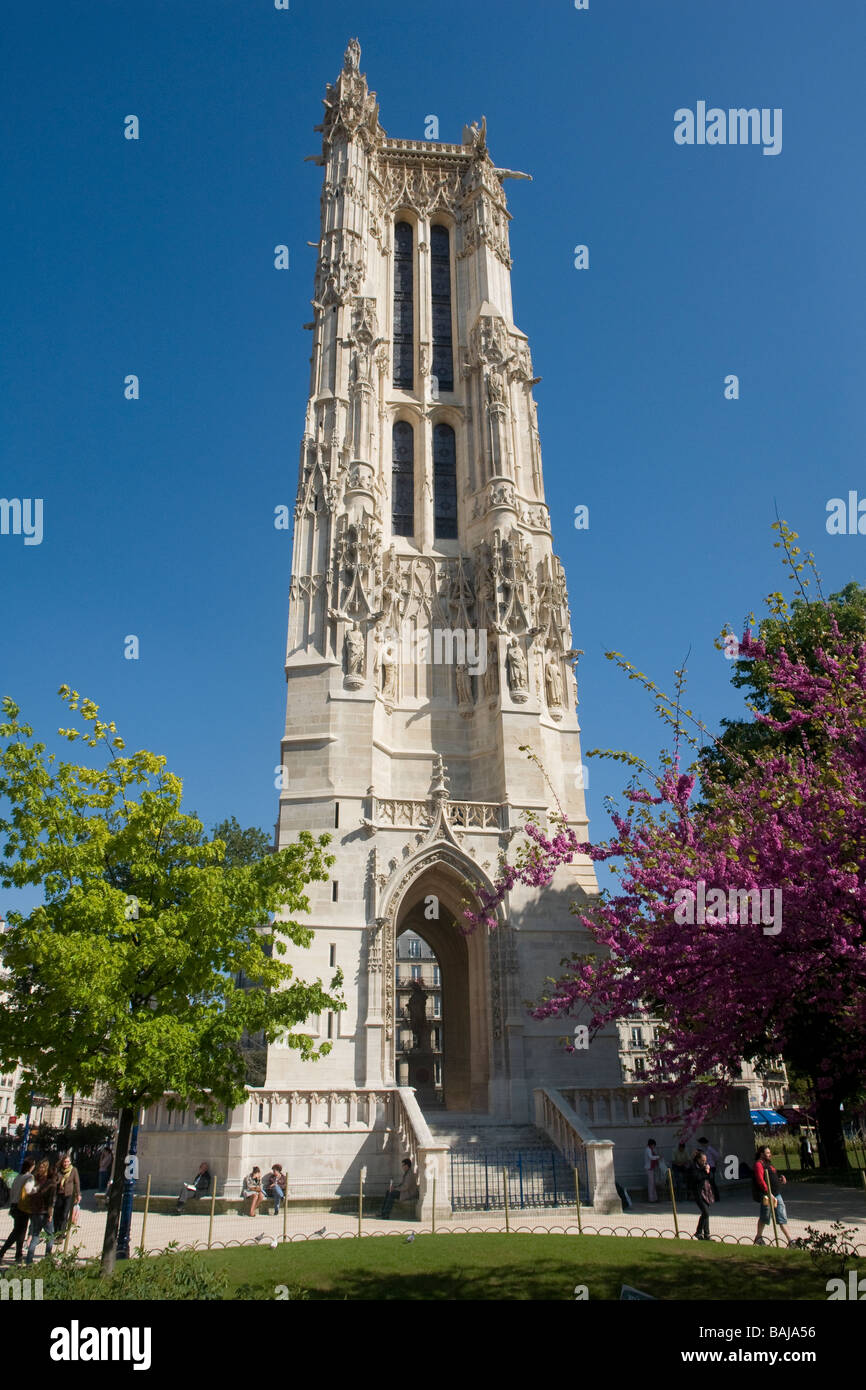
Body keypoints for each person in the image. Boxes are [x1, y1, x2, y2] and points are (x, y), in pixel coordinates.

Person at [753, 1145, 793, 1246]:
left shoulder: (769, 1164)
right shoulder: (759, 1164)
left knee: (782, 1217)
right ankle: (758, 1237)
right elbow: (760, 1180)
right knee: (765, 1217)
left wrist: (780, 1180)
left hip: (777, 1194)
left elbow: (771, 1178)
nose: (770, 1155)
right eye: (767, 1153)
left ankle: (790, 1240)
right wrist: (768, 1192)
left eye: (770, 1153)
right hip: (766, 1195)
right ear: (762, 1154)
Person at [0, 1159, 35, 1265]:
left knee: (20, 1232)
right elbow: (29, 1190)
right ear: (31, 1166)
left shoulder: (18, 1177)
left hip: (14, 1206)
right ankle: (2, 1252)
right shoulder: (29, 1177)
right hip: (22, 1206)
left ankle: (18, 1255)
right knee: (17, 1232)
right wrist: (39, 1189)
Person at [25, 1160, 58, 1265]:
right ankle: (47, 1258)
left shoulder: (34, 1180)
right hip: (44, 1212)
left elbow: (29, 1194)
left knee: (35, 1235)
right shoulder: (50, 1183)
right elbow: (51, 1201)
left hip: (34, 1211)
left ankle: (29, 1261)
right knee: (50, 1235)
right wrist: (50, 1214)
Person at [687, 1149, 714, 1241]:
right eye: (702, 1160)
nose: (704, 1162)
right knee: (705, 1212)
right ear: (698, 1160)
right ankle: (698, 1232)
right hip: (698, 1193)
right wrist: (704, 1171)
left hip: (706, 1192)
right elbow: (696, 1177)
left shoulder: (705, 1167)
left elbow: (710, 1177)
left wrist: (708, 1171)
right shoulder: (693, 1167)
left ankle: (707, 1234)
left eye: (705, 1160)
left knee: (706, 1213)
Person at [53, 1154, 81, 1236]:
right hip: (59, 1194)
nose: (66, 1163)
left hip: (69, 1195)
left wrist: (78, 1194)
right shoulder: (59, 1171)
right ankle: (56, 1232)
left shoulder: (73, 1170)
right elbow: (55, 1182)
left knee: (64, 1214)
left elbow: (77, 1183)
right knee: (57, 1214)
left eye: (68, 1161)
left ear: (70, 1162)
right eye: (65, 1162)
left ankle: (61, 1234)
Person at [697, 1135, 721, 1200]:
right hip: (704, 1167)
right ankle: (707, 1196)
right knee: (705, 1182)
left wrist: (714, 1162)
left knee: (712, 1182)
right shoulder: (701, 1149)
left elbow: (717, 1155)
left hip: (711, 1167)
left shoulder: (709, 1148)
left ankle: (716, 1197)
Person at [644, 1138, 661, 1203]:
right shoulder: (648, 1150)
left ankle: (654, 1198)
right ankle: (651, 1198)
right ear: (651, 1145)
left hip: (651, 1168)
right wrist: (658, 1157)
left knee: (653, 1184)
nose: (654, 1146)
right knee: (651, 1184)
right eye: (654, 1145)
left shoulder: (650, 1149)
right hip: (649, 1168)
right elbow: (651, 1157)